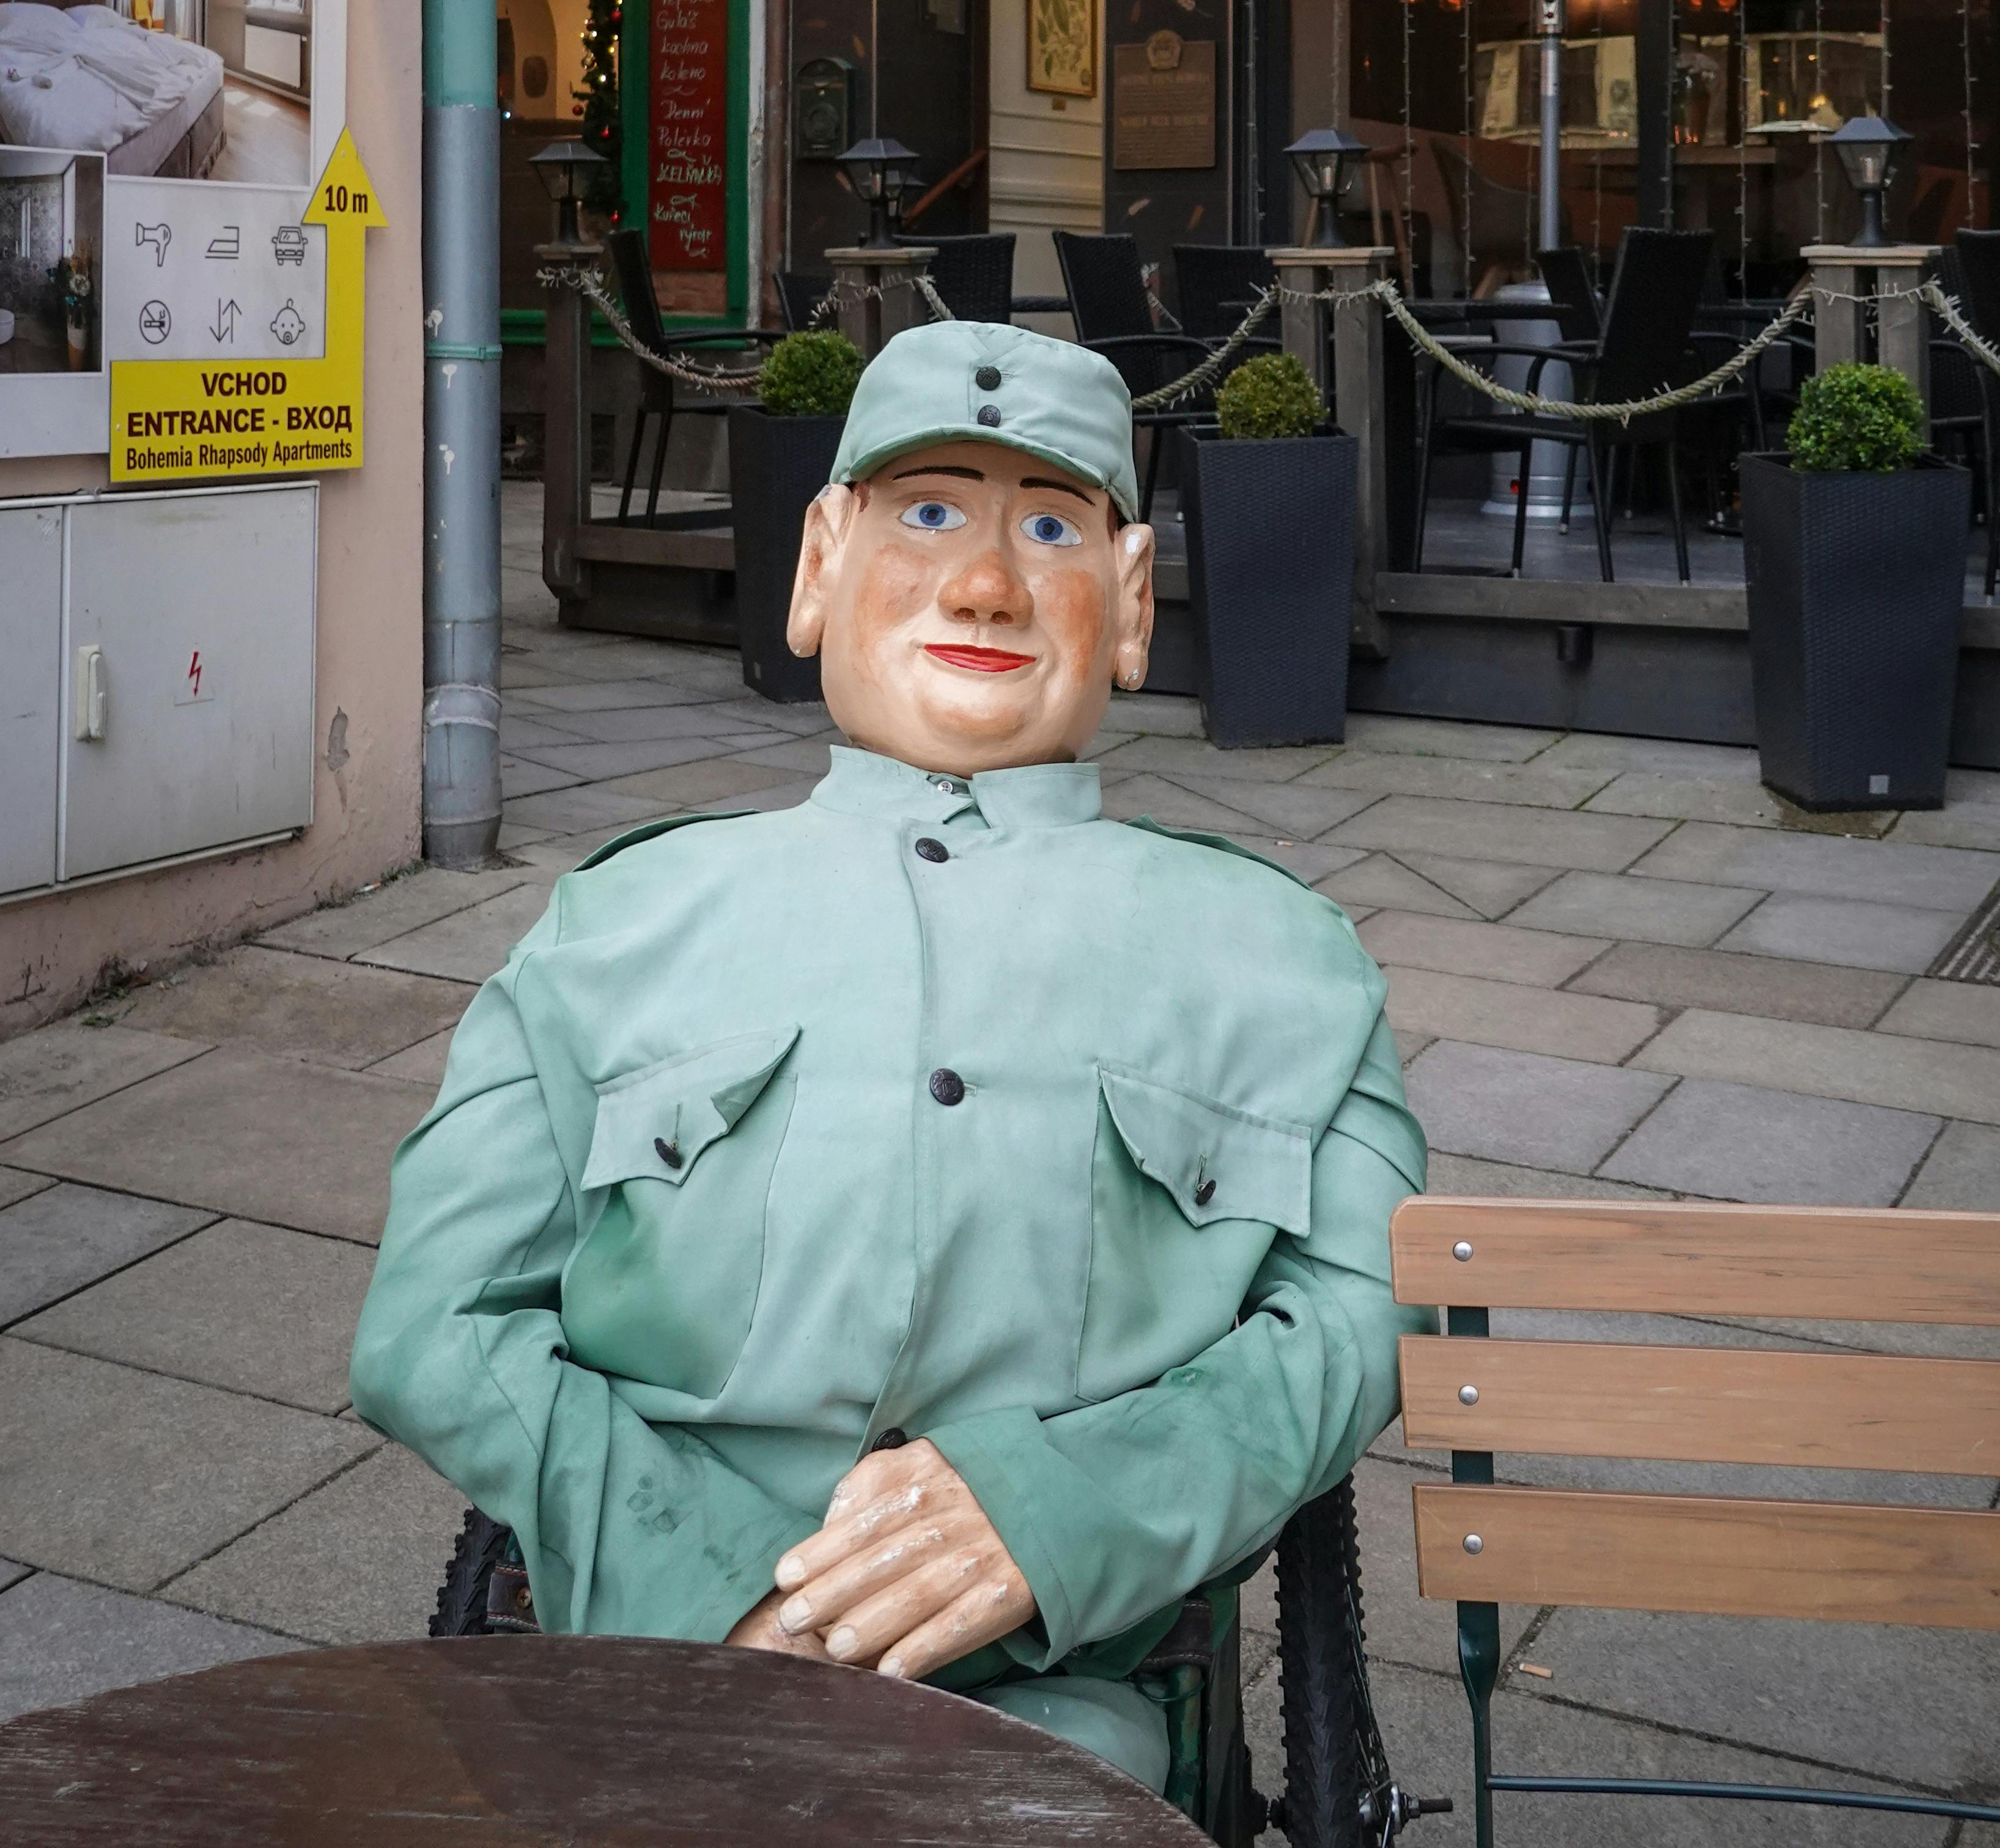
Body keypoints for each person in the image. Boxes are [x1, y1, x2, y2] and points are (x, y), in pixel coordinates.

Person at [350, 323, 1423, 1796]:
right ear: (818, 565)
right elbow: (432, 1321)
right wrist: (715, 1583)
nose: (983, 584)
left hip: (1055, 1713)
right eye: (927, 510)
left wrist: (1058, 1508)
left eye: (1048, 528)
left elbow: (1366, 1311)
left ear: (1130, 605)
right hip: (648, 1674)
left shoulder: (1285, 960)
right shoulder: (618, 926)